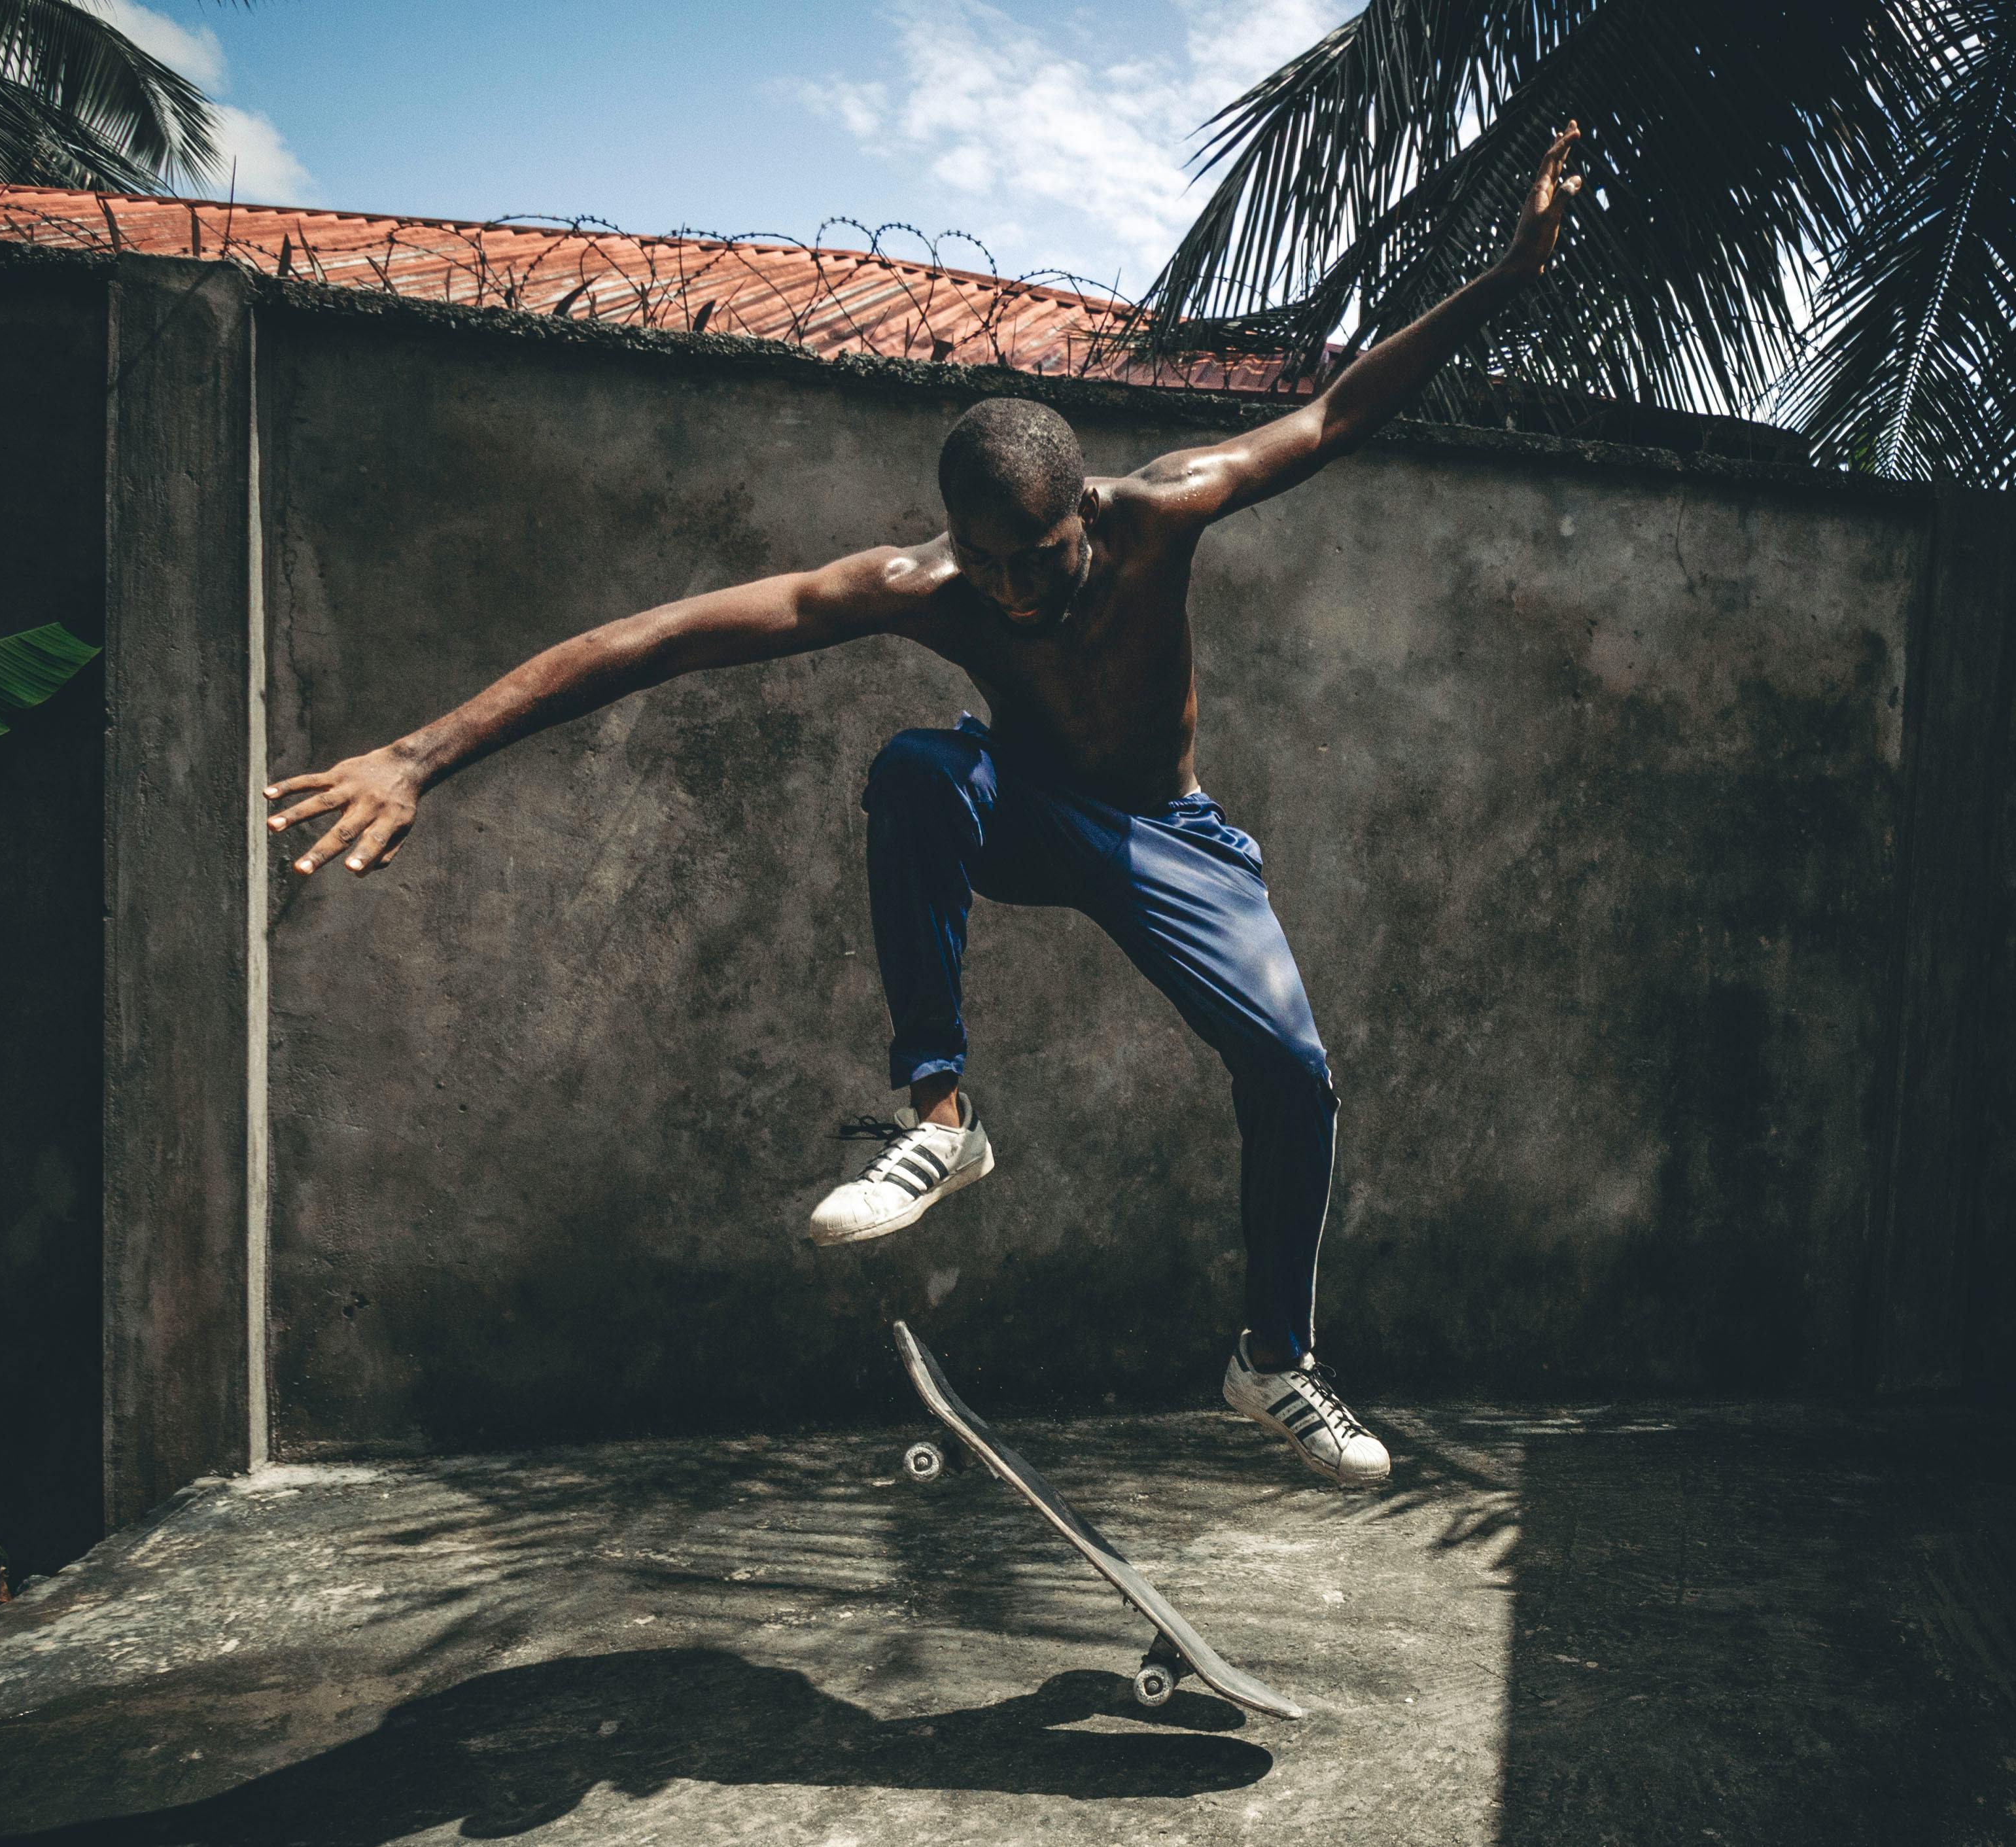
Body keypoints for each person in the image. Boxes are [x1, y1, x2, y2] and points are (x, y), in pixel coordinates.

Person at [265, 125, 1584, 1491]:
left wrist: (1507, 271)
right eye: (989, 567)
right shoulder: (926, 583)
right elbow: (654, 637)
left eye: (1039, 559)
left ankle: (1274, 1359)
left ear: (1084, 509)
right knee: (913, 765)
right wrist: (420, 755)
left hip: (1169, 837)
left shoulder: (1164, 513)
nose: (1014, 592)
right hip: (1021, 809)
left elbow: (1335, 414)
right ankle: (942, 1120)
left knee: (1295, 1080)